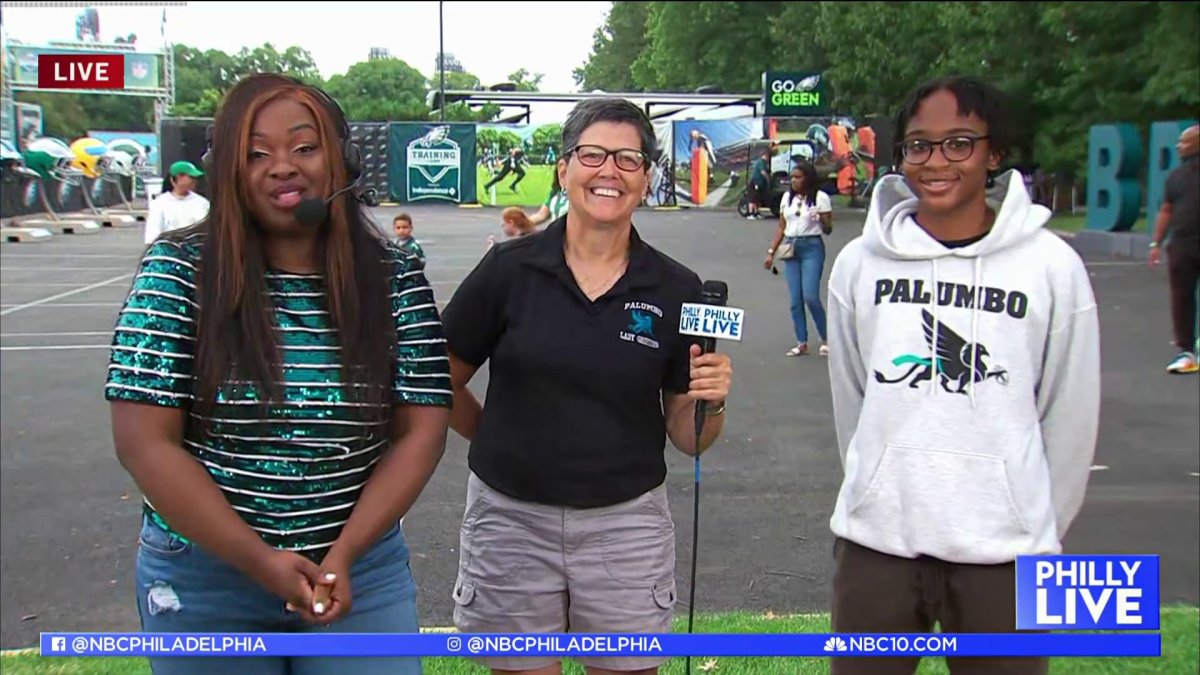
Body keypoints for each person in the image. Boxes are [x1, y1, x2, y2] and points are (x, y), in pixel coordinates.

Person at [104, 73, 452, 675]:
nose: (282, 166)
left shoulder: (393, 274)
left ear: (341, 160)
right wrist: (260, 561)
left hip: (359, 569)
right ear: (226, 172)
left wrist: (344, 554)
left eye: (304, 147)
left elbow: (422, 430)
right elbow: (144, 442)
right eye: (256, 154)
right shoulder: (177, 269)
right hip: (206, 578)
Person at [440, 97, 734, 675]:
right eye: (593, 155)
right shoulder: (509, 270)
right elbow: (439, 378)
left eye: (628, 159)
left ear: (646, 178)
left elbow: (689, 437)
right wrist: (491, 434)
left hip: (626, 525)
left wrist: (713, 399)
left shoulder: (677, 288)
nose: (609, 171)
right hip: (511, 521)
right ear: (564, 169)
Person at [824, 75, 1100, 675]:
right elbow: (853, 397)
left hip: (1007, 554)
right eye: (919, 145)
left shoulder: (1051, 267)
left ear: (993, 153)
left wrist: (1036, 524)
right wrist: (877, 481)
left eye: (958, 143)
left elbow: (1070, 412)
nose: (936, 161)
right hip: (878, 545)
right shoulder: (859, 264)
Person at [764, 161, 833, 357]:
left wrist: (820, 218)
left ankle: (826, 338)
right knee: (795, 299)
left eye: (798, 177)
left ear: (808, 179)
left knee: (810, 296)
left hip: (812, 246)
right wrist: (771, 252)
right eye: (792, 177)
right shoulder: (787, 198)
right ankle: (801, 342)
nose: (793, 181)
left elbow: (828, 229)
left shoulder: (820, 198)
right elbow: (781, 227)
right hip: (791, 247)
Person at [1149, 124, 1199, 374]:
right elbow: (1166, 210)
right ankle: (1186, 352)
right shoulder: (1175, 177)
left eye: (1184, 141)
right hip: (1182, 245)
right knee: (1181, 297)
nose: (1178, 146)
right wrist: (1156, 243)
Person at [144, 160, 210, 245]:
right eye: (191, 177)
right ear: (178, 178)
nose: (195, 181)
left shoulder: (202, 203)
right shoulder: (159, 204)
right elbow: (152, 234)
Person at [745, 148, 772, 220]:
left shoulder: (764, 163)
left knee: (757, 199)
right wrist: (768, 178)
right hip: (755, 183)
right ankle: (751, 214)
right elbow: (763, 172)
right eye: (768, 157)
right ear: (765, 155)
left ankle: (756, 213)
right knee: (752, 199)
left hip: (760, 184)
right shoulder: (761, 162)